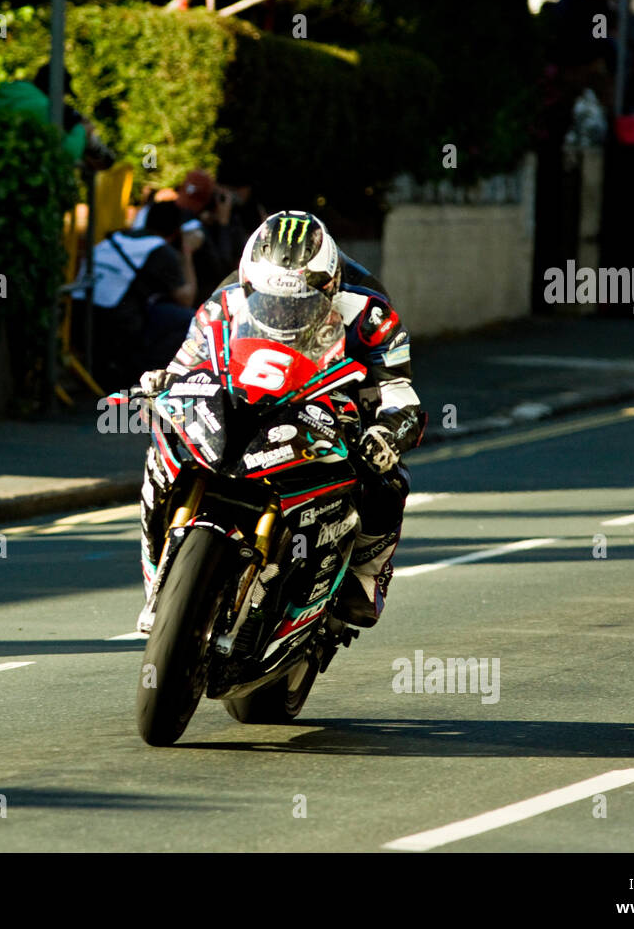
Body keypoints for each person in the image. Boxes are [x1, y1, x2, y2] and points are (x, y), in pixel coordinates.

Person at [136, 210, 423, 636]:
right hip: (245, 398)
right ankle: (163, 562)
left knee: (389, 479)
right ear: (249, 279)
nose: (283, 308)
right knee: (164, 450)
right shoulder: (225, 299)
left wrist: (387, 432)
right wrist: (165, 384)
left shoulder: (369, 312)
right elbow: (188, 361)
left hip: (332, 409)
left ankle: (366, 573)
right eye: (268, 295)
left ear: (331, 282)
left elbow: (401, 392)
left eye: (304, 296)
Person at [74, 201, 202, 389]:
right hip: (114, 327)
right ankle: (145, 376)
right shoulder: (159, 249)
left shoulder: (116, 238)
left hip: (78, 319)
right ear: (176, 232)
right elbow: (186, 298)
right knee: (189, 319)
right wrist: (187, 252)